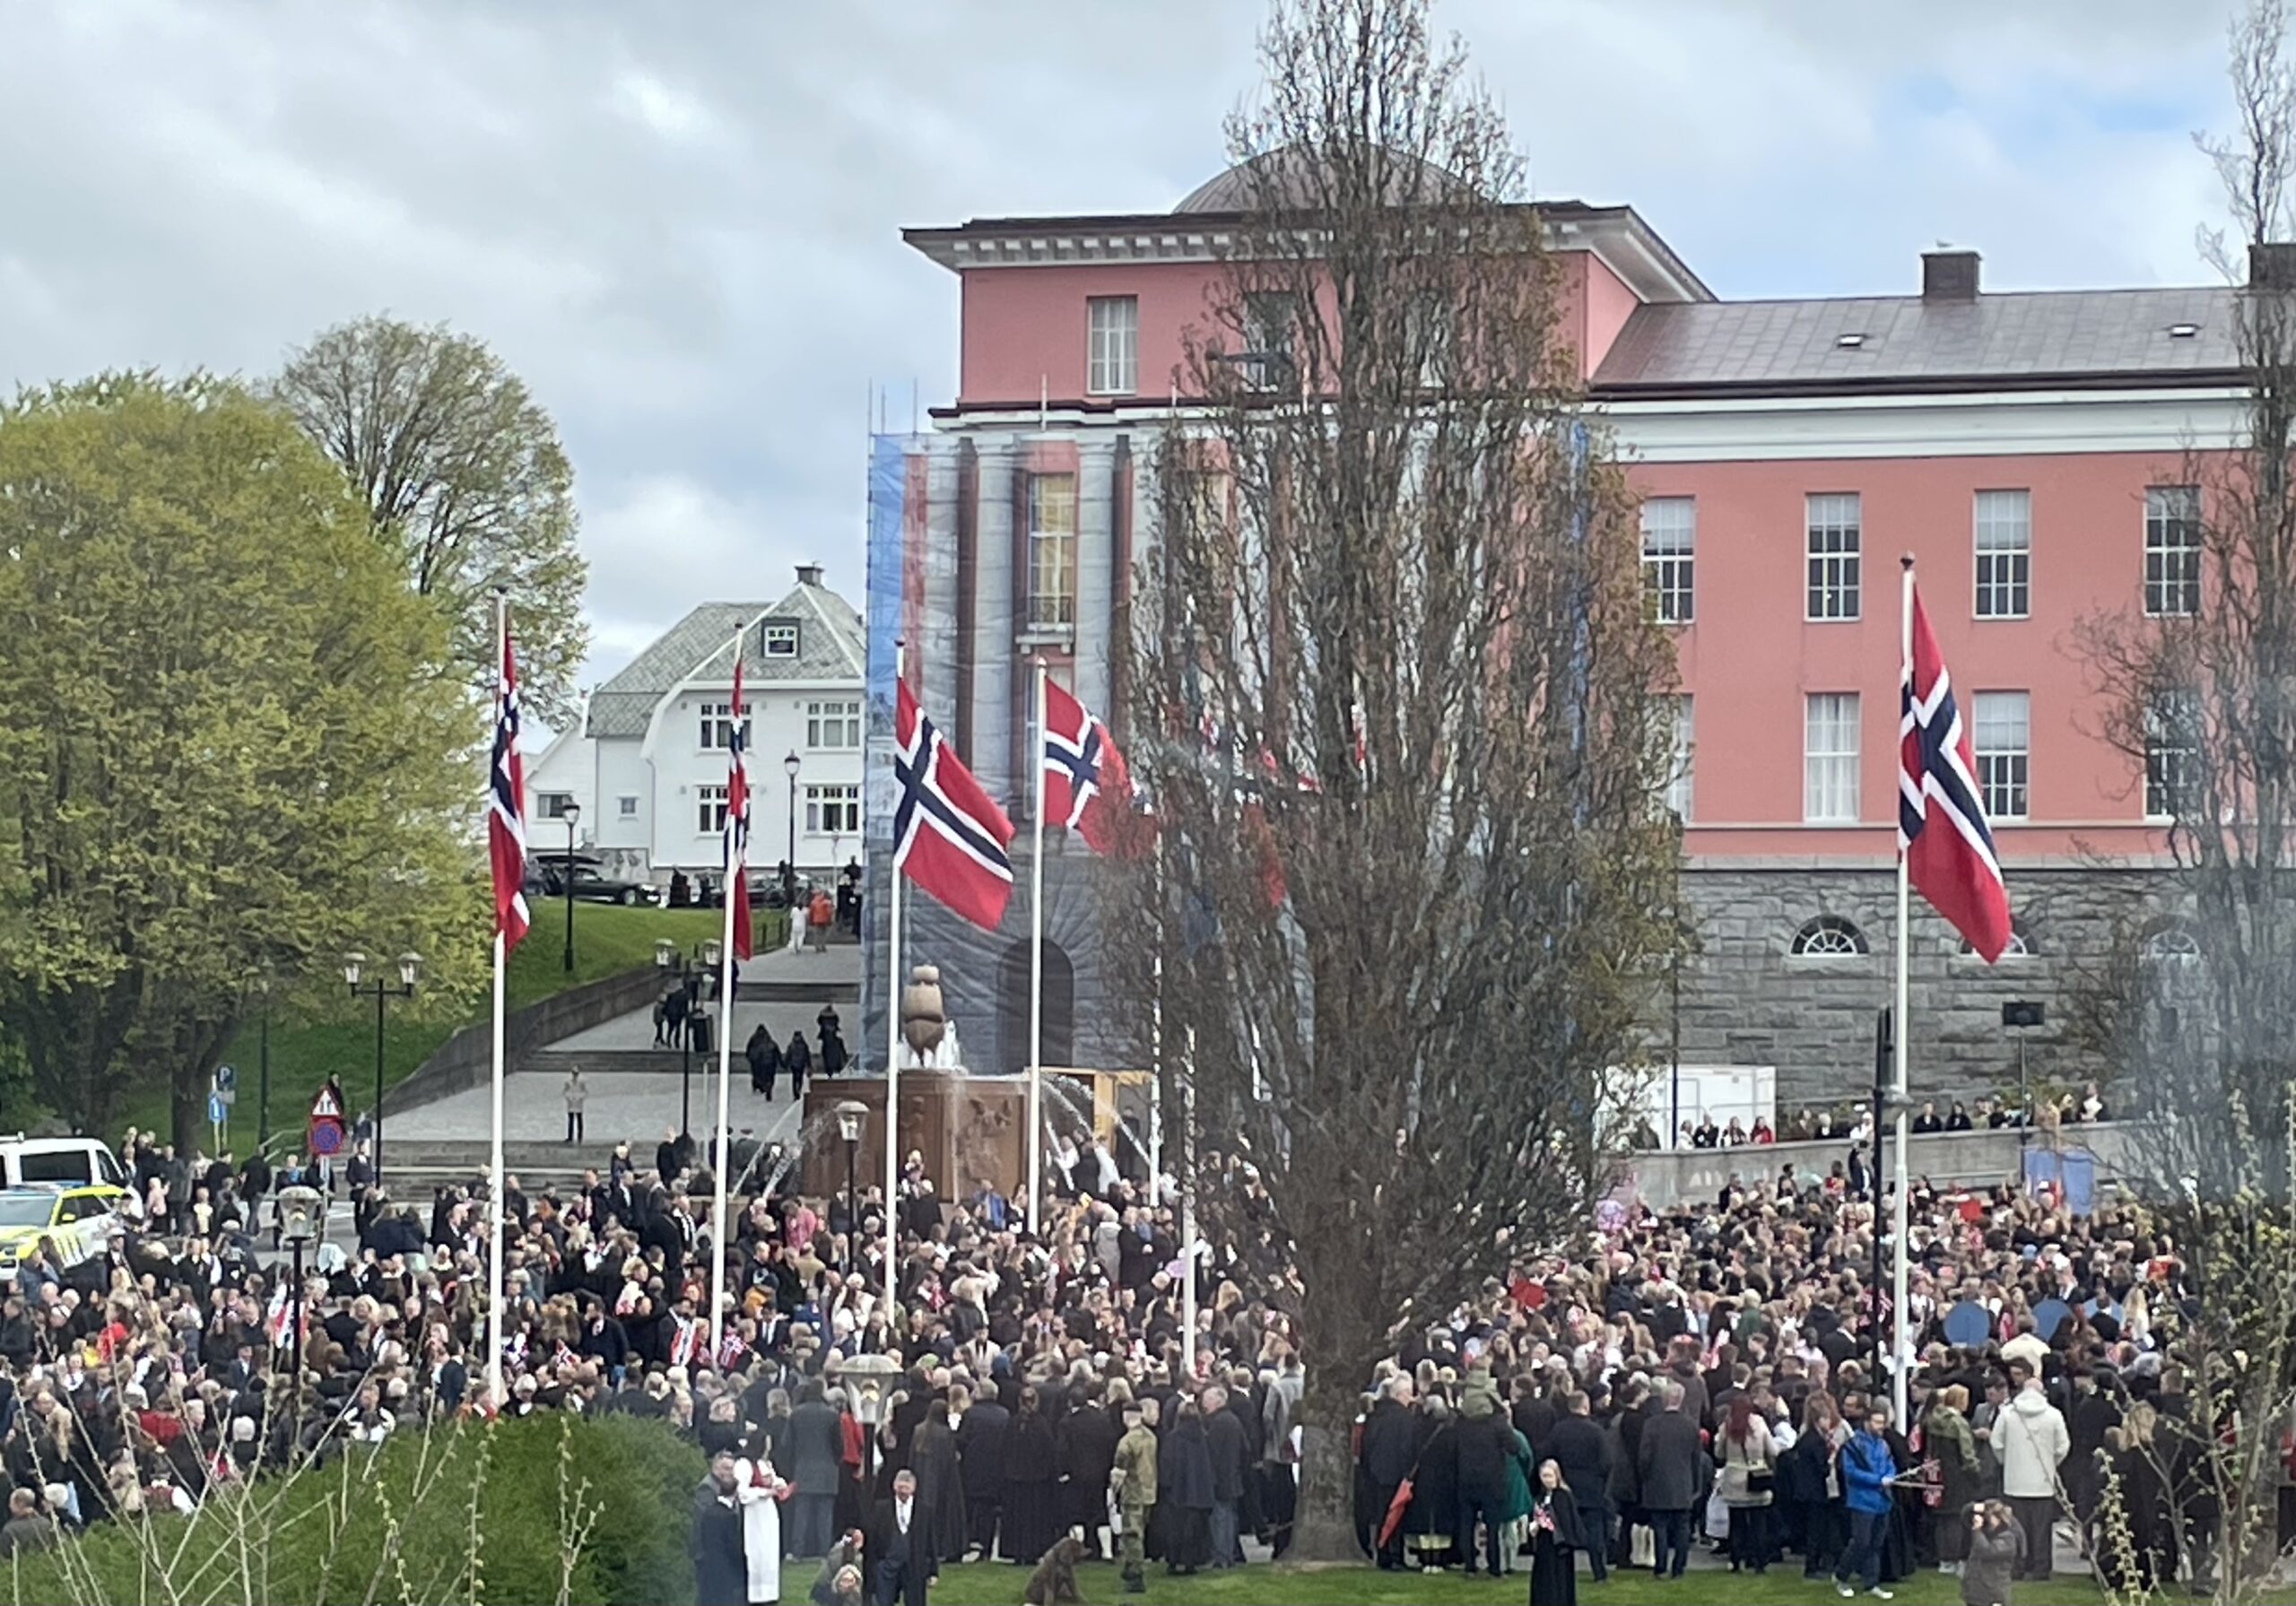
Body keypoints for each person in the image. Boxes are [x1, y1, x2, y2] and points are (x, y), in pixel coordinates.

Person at [1995, 1371, 2067, 1581]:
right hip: (2043, 1482)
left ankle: (2018, 1567)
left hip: (2014, 1481)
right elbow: (2062, 1446)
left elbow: (1996, 1443)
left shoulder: (2007, 1414)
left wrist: (2007, 1462)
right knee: (2042, 1529)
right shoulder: (2054, 1415)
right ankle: (2041, 1568)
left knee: (2017, 1529)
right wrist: (2051, 1464)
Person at [1636, 1380, 1700, 1580]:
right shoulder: (1690, 1425)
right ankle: (1679, 1567)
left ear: (1664, 1400)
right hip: (1683, 1482)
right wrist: (1695, 1484)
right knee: (1682, 1528)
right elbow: (1696, 1458)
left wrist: (1644, 1476)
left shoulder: (1652, 1424)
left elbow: (1644, 1457)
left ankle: (1661, 1566)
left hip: (1657, 1481)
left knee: (1660, 1527)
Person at [1546, 1390, 1612, 1584]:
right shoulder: (1596, 1431)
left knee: (1565, 1530)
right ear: (1586, 1406)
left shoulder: (1558, 1430)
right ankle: (1599, 1572)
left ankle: (1564, 1573)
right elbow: (1607, 1462)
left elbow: (1550, 1455)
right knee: (1594, 1531)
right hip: (1592, 1487)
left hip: (1566, 1486)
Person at [1835, 1402, 1899, 1601]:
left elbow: (1890, 1465)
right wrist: (1878, 1480)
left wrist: (1890, 1476)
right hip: (1861, 1501)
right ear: (1866, 1422)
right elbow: (1851, 1473)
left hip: (1882, 1501)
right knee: (1860, 1542)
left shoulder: (1883, 1445)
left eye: (1883, 1422)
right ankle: (1841, 1576)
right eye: (1877, 1422)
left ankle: (1871, 1583)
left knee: (1876, 1544)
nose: (1881, 1426)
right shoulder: (1852, 1446)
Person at [1156, 1397, 1214, 1575]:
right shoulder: (1204, 1437)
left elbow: (1167, 1463)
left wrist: (1165, 1484)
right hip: (1199, 1491)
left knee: (1175, 1528)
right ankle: (1191, 1563)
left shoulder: (1173, 1438)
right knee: (1194, 1529)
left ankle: (1173, 1562)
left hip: (1176, 1490)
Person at [1718, 1394, 1776, 1573]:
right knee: (1759, 1523)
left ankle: (1736, 1560)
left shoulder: (1727, 1426)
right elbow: (1772, 1450)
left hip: (1734, 1478)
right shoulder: (1759, 1424)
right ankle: (1759, 1561)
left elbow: (1719, 1452)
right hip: (1756, 1476)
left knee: (1736, 1523)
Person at [867, 1468, 935, 1606]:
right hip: (887, 1566)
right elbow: (873, 1540)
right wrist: (874, 1567)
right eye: (900, 1487)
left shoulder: (924, 1510)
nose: (903, 1491)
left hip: (914, 1566)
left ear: (914, 1488)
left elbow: (930, 1542)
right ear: (894, 1486)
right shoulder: (880, 1508)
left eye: (907, 1487)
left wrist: (933, 1571)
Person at [1111, 1397, 1157, 1595]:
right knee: (1141, 1532)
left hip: (1133, 1493)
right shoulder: (1151, 1437)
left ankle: (1136, 1574)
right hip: (1149, 1491)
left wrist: (1113, 1492)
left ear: (1125, 1417)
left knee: (1132, 1535)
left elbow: (1119, 1472)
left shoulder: (1126, 1442)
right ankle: (1130, 1567)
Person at [1526, 1458, 1587, 1606]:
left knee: (1559, 1578)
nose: (1547, 1480)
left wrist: (1552, 1523)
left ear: (1557, 1476)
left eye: (1549, 1476)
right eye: (1544, 1476)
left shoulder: (1563, 1496)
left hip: (1560, 1546)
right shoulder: (1541, 1496)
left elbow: (1567, 1521)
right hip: (1545, 1543)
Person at [693, 1453, 752, 1606]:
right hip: (713, 1556)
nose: (729, 1473)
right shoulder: (707, 1488)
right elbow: (707, 1523)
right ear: (715, 1468)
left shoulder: (730, 1488)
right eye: (725, 1468)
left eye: (732, 1469)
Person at [734, 1454, 788, 1606]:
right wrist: (764, 1492)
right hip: (753, 1513)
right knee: (756, 1553)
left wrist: (779, 1485)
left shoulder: (765, 1464)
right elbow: (742, 1493)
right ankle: (755, 1595)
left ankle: (769, 1594)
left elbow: (775, 1480)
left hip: (768, 1512)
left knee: (769, 1553)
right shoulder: (744, 1464)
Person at [1962, 1499, 2022, 1606]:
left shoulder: (2008, 1538)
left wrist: (1977, 1530)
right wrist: (1974, 1507)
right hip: (1975, 1591)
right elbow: (1964, 1516)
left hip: (1994, 1593)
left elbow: (1986, 1551)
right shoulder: (1986, 1530)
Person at [747, 1025, 782, 1098]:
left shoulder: (754, 1039)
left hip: (758, 1062)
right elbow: (777, 1053)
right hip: (770, 1063)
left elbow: (749, 1049)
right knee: (768, 1077)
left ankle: (760, 1086)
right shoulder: (771, 1043)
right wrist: (781, 1062)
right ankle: (767, 1088)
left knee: (758, 1075)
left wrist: (750, 1058)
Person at [785, 1030, 813, 1104]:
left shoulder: (791, 1045)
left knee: (795, 1079)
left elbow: (788, 1055)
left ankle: (796, 1093)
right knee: (799, 1078)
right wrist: (809, 1065)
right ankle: (798, 1090)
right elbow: (807, 1056)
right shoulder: (804, 1045)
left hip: (794, 1064)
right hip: (800, 1064)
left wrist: (786, 1064)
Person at [562, 1070, 587, 1145]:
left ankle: (580, 1137)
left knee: (579, 1120)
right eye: (574, 1073)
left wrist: (580, 1098)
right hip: (571, 1103)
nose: (575, 1075)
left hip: (578, 1103)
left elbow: (585, 1092)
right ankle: (570, 1137)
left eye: (576, 1074)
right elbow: (565, 1092)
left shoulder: (581, 1082)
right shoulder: (568, 1082)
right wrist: (569, 1098)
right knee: (571, 1121)